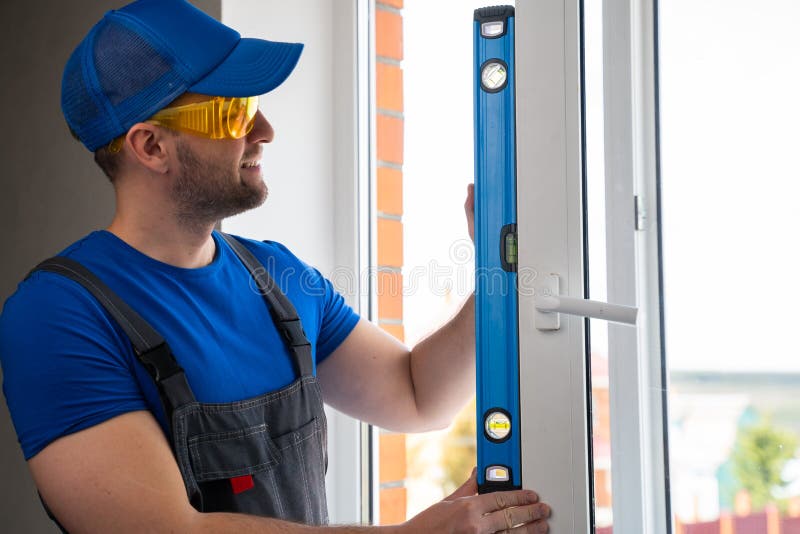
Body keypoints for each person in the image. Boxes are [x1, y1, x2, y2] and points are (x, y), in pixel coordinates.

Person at [0, 1, 550, 532]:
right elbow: (165, 529)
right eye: (234, 111)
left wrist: (495, 274)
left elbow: (415, 394)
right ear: (151, 146)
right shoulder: (57, 315)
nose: (264, 130)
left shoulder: (277, 277)